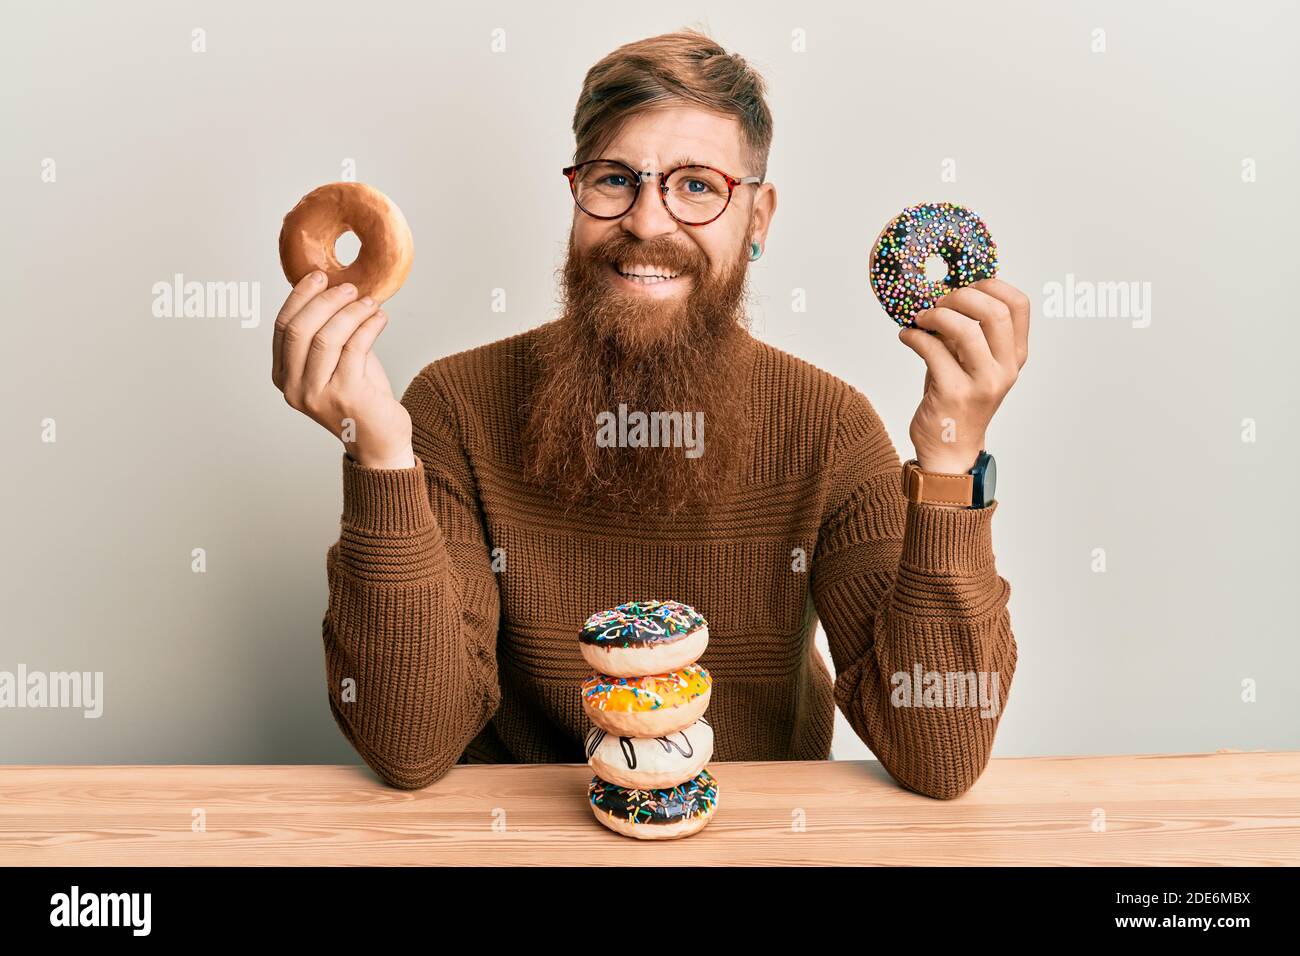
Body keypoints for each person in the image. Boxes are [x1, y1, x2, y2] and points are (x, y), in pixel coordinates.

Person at [270, 29, 1029, 799]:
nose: (647, 221)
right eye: (614, 179)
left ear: (757, 219)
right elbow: (408, 743)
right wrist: (381, 456)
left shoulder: (827, 428)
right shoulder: (453, 409)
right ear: (576, 192)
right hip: (526, 845)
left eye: (698, 186)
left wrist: (950, 458)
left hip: (758, 846)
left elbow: (939, 753)